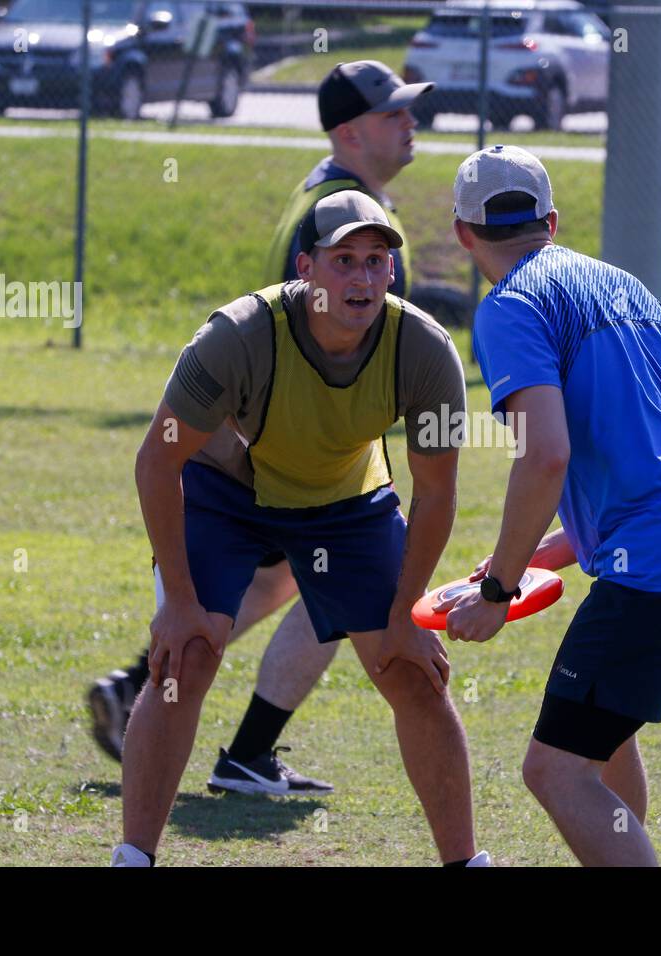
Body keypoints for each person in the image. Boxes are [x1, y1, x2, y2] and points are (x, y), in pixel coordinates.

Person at [88, 60, 435, 798]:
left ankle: (149, 693)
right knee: (337, 594)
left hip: (279, 441)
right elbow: (308, 335)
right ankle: (238, 747)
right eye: (394, 114)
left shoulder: (323, 192)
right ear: (350, 130)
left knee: (283, 587)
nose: (410, 125)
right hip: (289, 450)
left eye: (410, 111)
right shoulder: (343, 209)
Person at [112, 190, 486, 867]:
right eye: (344, 261)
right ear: (305, 268)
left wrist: (404, 614)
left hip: (342, 502)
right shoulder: (236, 336)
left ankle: (466, 864)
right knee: (185, 658)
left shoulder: (425, 352)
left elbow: (435, 494)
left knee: (411, 672)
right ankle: (132, 859)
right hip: (226, 491)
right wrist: (178, 601)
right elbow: (156, 459)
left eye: (377, 262)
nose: (364, 278)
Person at [439, 145, 661, 866]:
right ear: (551, 220)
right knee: (600, 742)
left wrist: (496, 593)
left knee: (553, 769)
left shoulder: (511, 307)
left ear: (464, 234)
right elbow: (641, 448)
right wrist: (539, 554)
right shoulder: (627, 287)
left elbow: (547, 454)